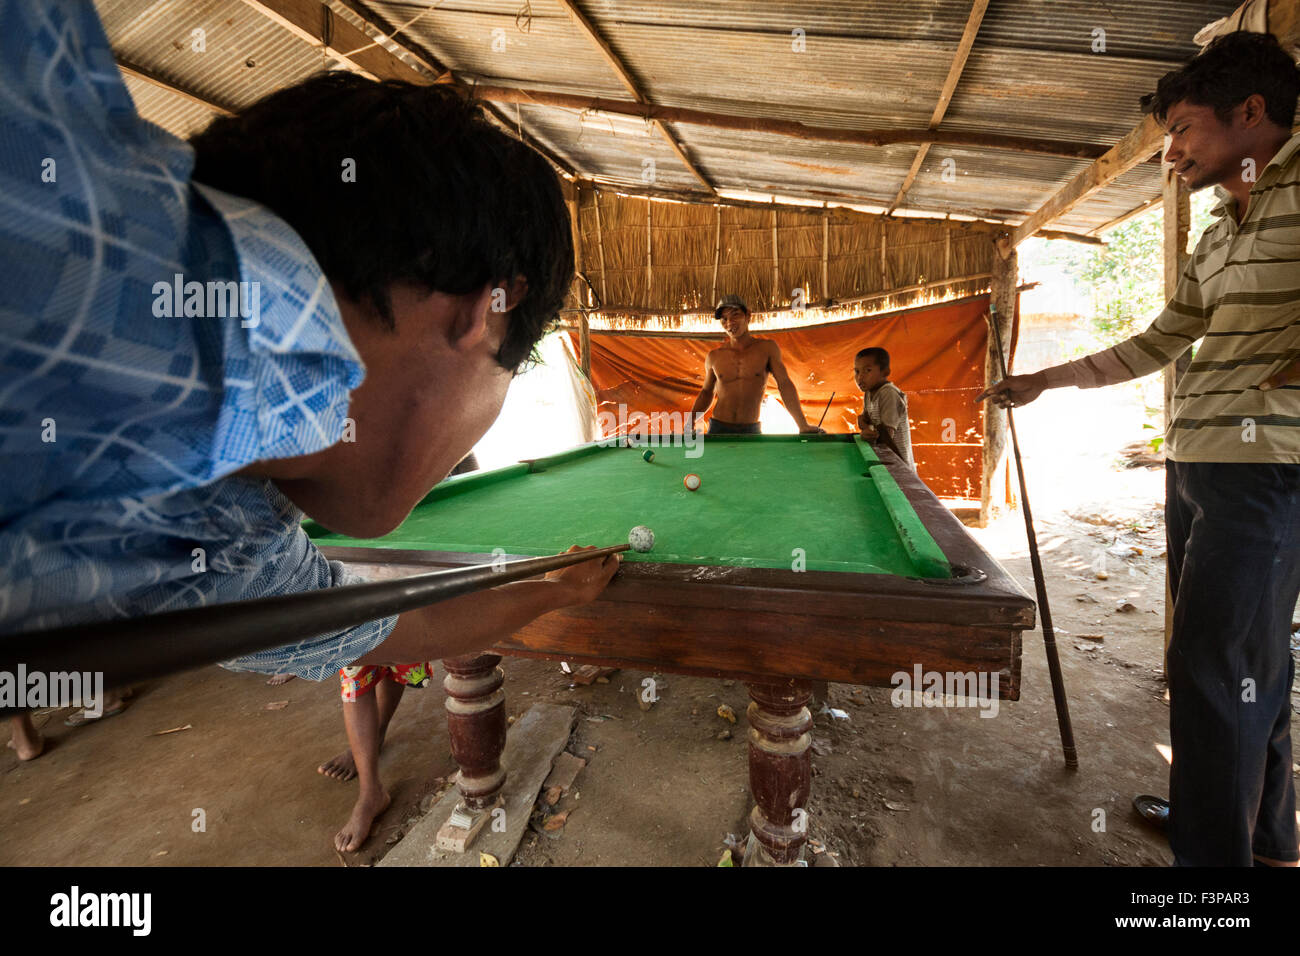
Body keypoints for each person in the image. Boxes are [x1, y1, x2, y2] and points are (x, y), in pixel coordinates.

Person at [1, 1, 618, 775]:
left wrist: (549, 591)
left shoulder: (232, 542)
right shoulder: (87, 206)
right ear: (482, 311)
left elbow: (376, 628)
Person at [979, 31, 1300, 867]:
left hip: (1268, 474)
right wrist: (1047, 379)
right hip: (1199, 466)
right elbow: (1165, 336)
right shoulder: (1223, 226)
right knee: (1247, 659)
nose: (1171, 154)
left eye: (1185, 130)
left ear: (1251, 113)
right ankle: (1258, 834)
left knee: (1209, 660)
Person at [690, 295, 824, 435]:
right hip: (718, 428)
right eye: (724, 319)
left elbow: (785, 384)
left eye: (735, 315)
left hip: (750, 429)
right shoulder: (714, 356)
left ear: (748, 315)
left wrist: (802, 425)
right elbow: (706, 393)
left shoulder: (767, 349)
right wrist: (690, 422)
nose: (729, 323)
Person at [853, 347, 915, 470]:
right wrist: (865, 426)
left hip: (900, 467)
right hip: (888, 462)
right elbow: (866, 420)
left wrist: (867, 432)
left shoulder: (889, 393)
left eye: (867, 370)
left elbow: (885, 437)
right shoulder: (869, 393)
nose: (860, 377)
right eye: (857, 371)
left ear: (885, 372)